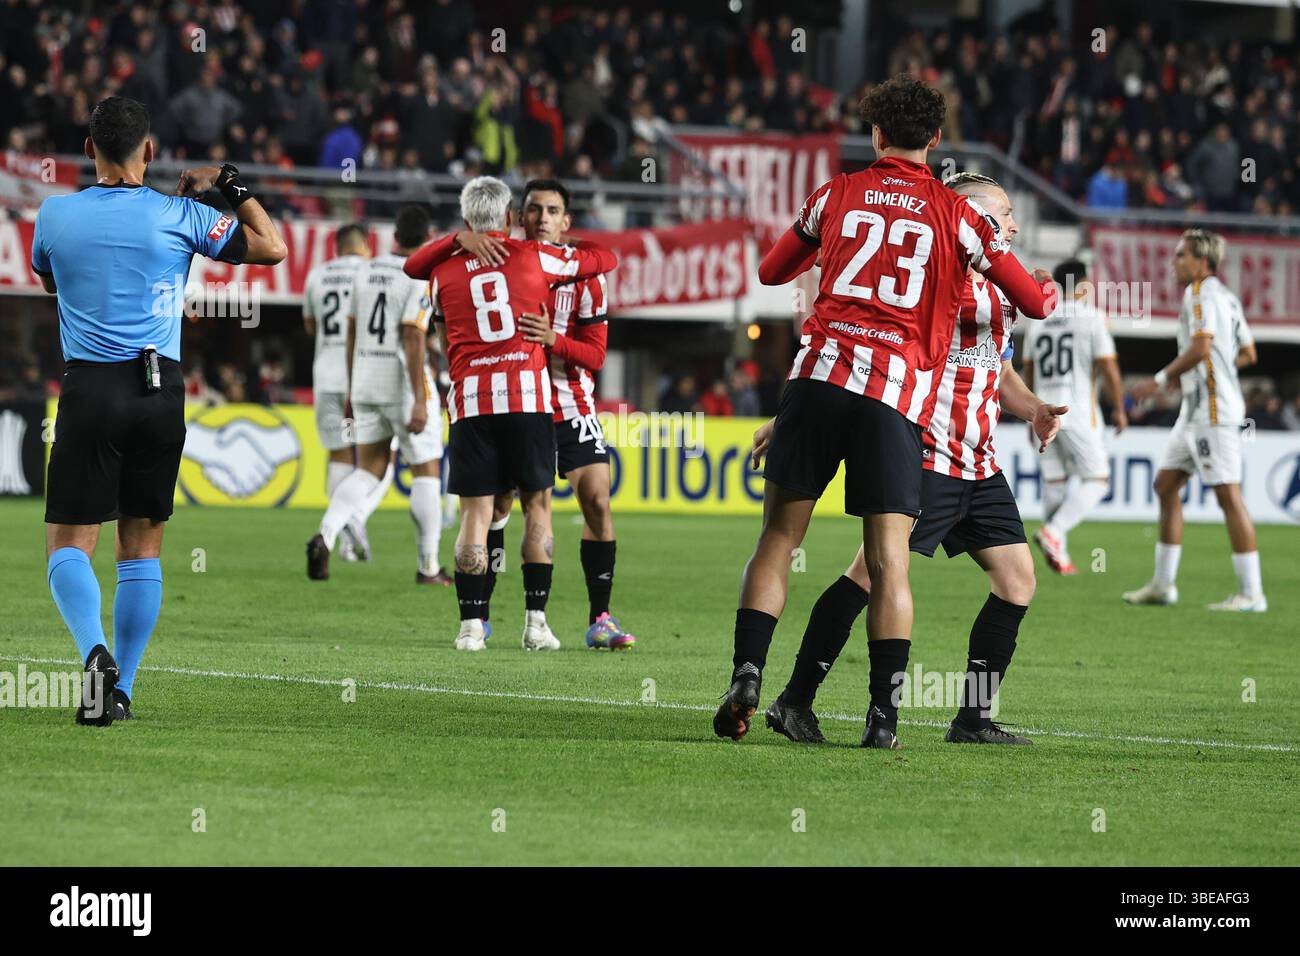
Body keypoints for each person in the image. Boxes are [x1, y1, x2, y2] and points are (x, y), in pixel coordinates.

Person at [713, 74, 1057, 746]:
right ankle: (865, 715)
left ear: (874, 132)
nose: (1006, 222)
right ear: (936, 139)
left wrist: (1034, 406)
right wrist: (1018, 264)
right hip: (905, 416)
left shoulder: (836, 192)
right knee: (882, 567)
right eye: (1002, 214)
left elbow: (773, 271)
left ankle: (755, 675)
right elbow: (1038, 300)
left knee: (783, 541)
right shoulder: (958, 232)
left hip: (844, 388)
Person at [33, 96, 285, 725]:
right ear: (149, 152)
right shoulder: (182, 215)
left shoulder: (53, 215)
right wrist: (227, 181)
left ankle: (94, 655)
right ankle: (123, 690)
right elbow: (271, 246)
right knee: (140, 547)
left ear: (88, 149)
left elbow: (50, 282)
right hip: (158, 390)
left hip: (89, 388)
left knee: (69, 543)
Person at [411, 176, 617, 651]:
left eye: (552, 211)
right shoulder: (535, 258)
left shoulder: (443, 271)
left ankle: (472, 625)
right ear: (513, 218)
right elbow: (607, 256)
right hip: (529, 397)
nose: (541, 219)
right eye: (533, 211)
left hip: (482, 401)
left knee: (478, 513)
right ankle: (534, 622)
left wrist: (455, 242)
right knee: (530, 508)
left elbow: (413, 268)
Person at [1123, 230, 1267, 611]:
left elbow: (1202, 346)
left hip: (1214, 411)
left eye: (1181, 255)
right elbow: (1248, 353)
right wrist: (1207, 374)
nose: (1175, 262)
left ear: (1202, 262)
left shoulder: (1200, 293)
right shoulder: (1229, 299)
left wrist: (1158, 380)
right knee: (1166, 484)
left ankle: (1252, 593)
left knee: (1228, 496)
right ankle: (1163, 585)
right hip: (1197, 408)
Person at [305, 206, 448, 585]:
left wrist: (352, 386)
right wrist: (420, 397)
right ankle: (428, 566)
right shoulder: (420, 274)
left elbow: (351, 330)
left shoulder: (365, 270)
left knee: (368, 469)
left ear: (393, 236)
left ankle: (328, 533)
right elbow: (414, 336)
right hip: (402, 382)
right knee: (426, 470)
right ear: (428, 236)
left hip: (365, 379)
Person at [1022, 259, 1126, 573]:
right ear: (1083, 284)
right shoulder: (1093, 318)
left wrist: (1030, 411)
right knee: (1098, 479)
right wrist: (1120, 407)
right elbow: (1107, 365)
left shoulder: (1039, 319)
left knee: (1055, 481)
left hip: (1043, 408)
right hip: (1078, 410)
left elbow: (1029, 370)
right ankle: (1054, 533)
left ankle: (1059, 553)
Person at [302, 222, 387, 561]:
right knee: (378, 457)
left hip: (326, 377)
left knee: (339, 453)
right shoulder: (371, 272)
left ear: (336, 247)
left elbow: (311, 325)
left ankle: (347, 535)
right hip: (363, 378)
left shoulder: (317, 275)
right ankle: (354, 518)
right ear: (366, 245)